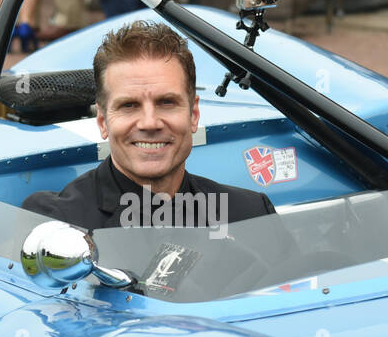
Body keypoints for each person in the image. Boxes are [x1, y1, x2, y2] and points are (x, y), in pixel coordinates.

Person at [22, 21, 277, 229]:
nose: (150, 123)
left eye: (167, 102)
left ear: (194, 114)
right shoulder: (55, 223)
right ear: (102, 121)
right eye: (129, 105)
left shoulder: (250, 216)